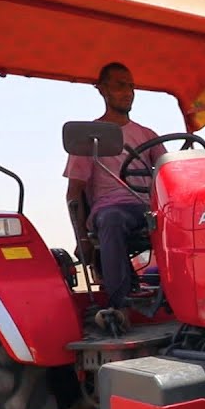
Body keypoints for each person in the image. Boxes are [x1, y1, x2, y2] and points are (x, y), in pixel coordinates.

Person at [65, 62, 167, 320]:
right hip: (112, 207)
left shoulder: (147, 135)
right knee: (112, 219)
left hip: (147, 207)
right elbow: (74, 193)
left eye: (131, 86)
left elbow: (169, 173)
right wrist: (82, 239)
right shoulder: (90, 137)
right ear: (102, 90)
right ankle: (119, 305)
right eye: (120, 85)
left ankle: (181, 298)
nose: (128, 92)